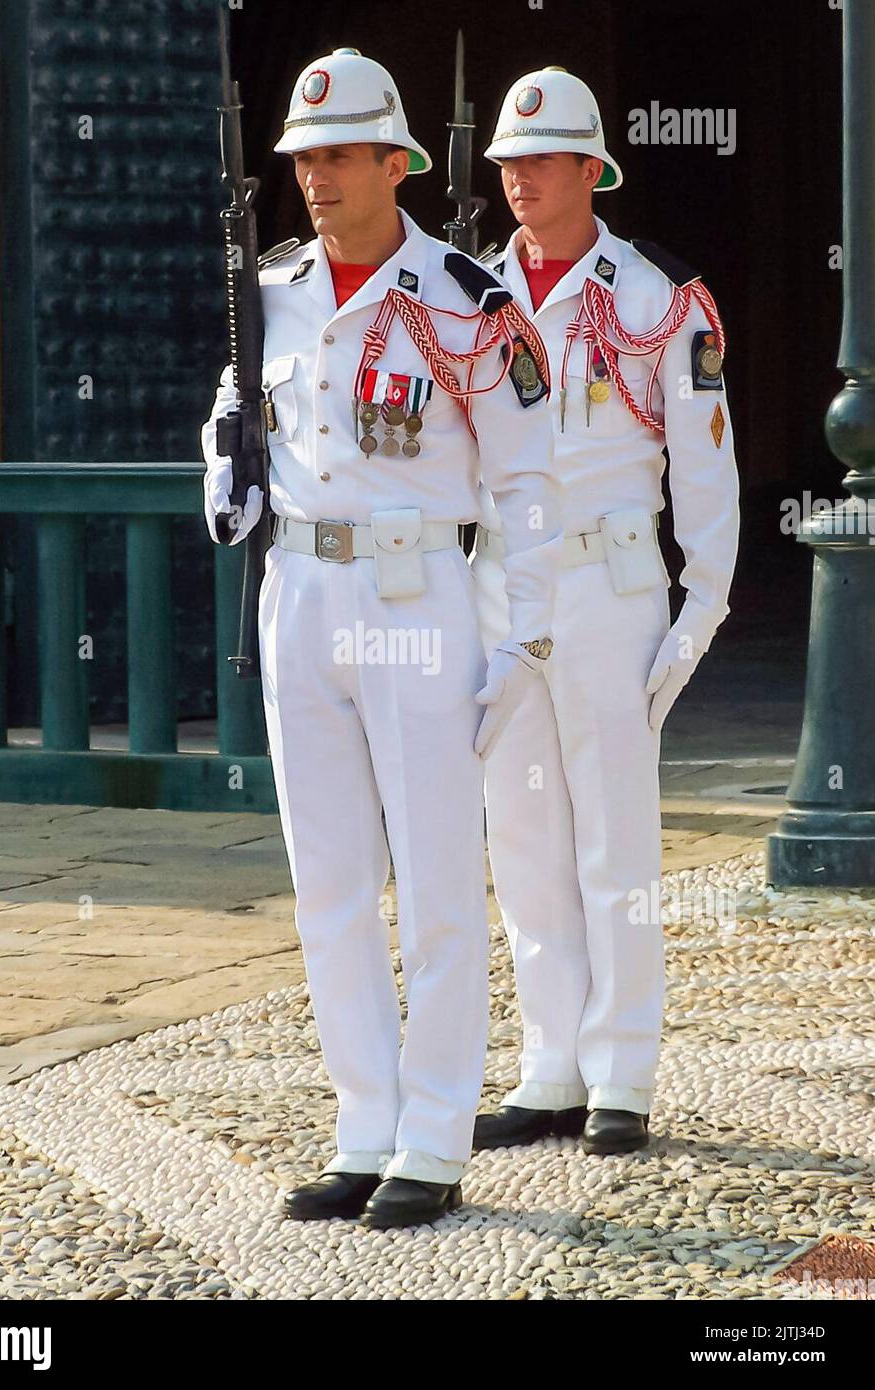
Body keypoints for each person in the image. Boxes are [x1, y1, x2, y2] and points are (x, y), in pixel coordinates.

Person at [201, 49, 560, 1226]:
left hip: (418, 603)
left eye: (339, 155)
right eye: (302, 158)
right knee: (331, 887)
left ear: (397, 163)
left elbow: (529, 485)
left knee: (441, 882)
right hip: (300, 595)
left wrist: (525, 641)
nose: (314, 176)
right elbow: (231, 406)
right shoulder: (275, 287)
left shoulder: (466, 301)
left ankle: (435, 1136)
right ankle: (364, 1125)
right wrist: (226, 480)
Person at [471, 68, 740, 1156]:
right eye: (507, 165)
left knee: (615, 839)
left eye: (540, 162)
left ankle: (623, 1070)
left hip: (610, 587)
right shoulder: (471, 293)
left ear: (593, 169)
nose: (520, 181)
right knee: (523, 835)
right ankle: (552, 1065)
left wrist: (702, 604)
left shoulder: (655, 298)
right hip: (504, 589)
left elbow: (706, 467)